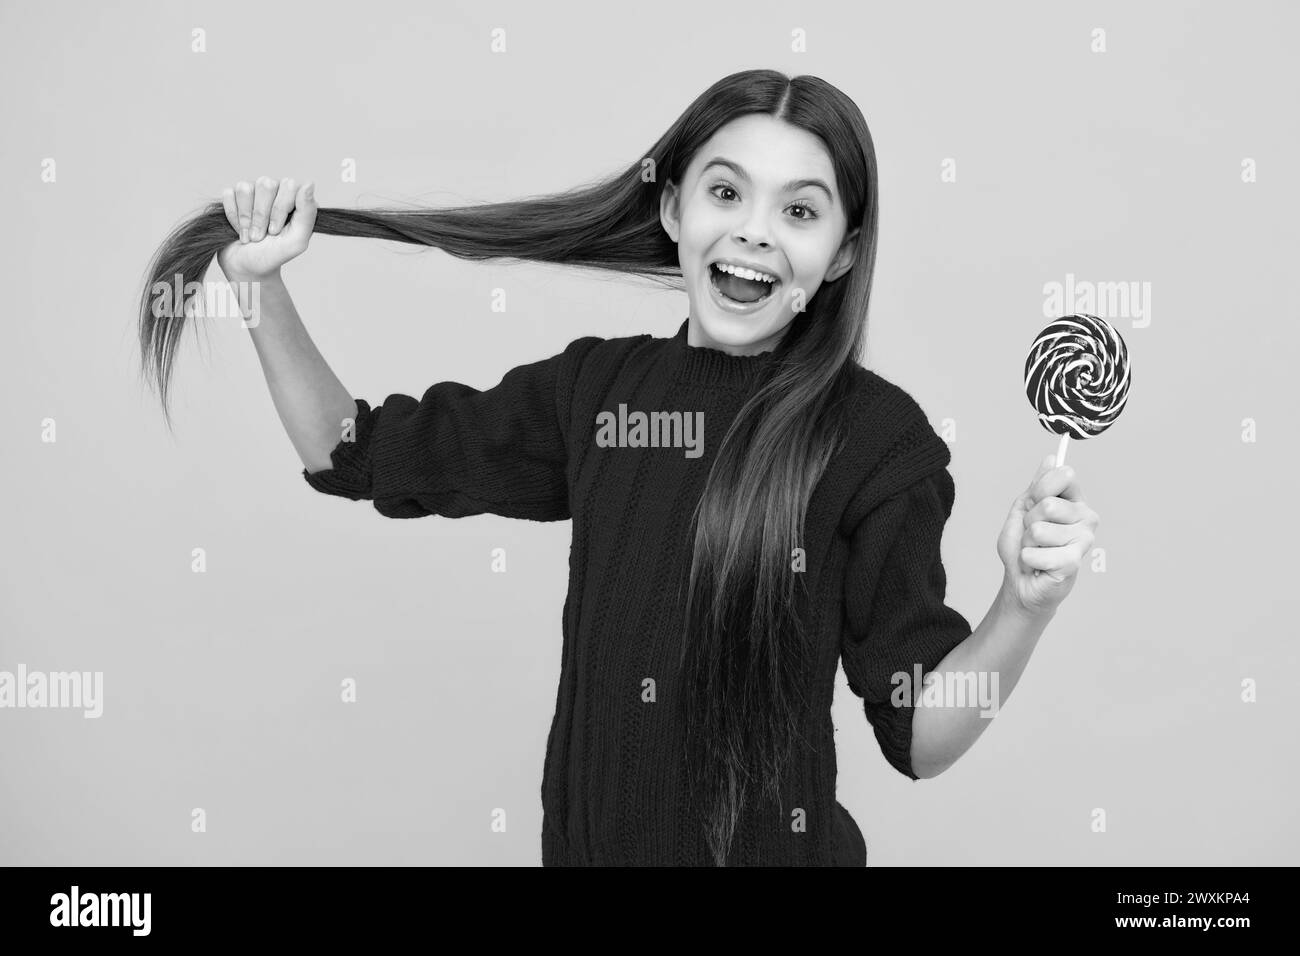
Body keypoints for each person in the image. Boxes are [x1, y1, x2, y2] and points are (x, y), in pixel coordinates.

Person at [137, 69, 1099, 866]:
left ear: (842, 256)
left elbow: (921, 739)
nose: (756, 230)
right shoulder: (598, 394)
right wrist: (258, 288)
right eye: (726, 192)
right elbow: (349, 449)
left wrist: (1022, 606)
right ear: (674, 210)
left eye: (800, 211)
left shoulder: (878, 444)